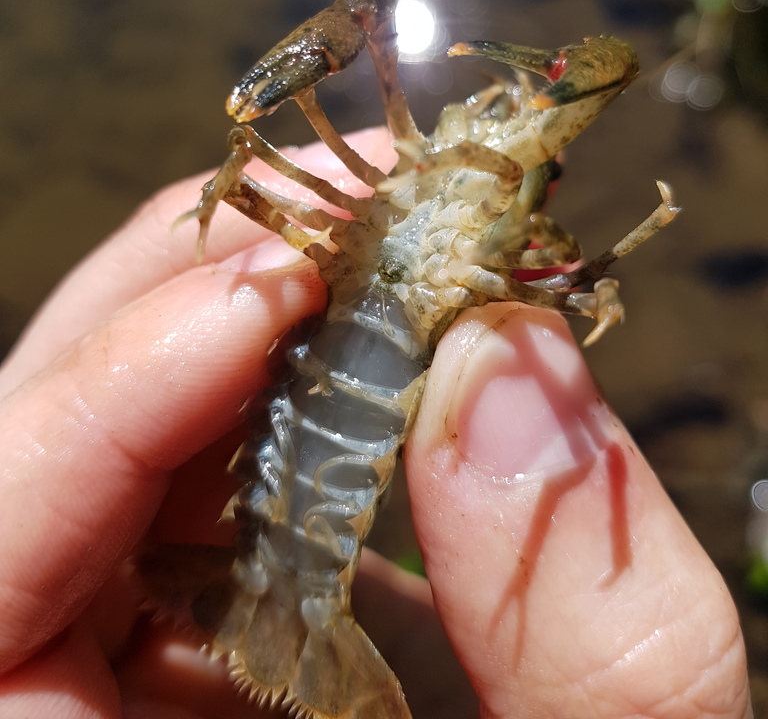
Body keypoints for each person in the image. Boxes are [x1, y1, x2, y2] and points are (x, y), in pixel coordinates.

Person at [0, 129, 750, 719]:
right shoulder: (442, 209)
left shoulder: (490, 234)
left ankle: (287, 598)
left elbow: (561, 268)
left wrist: (587, 275)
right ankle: (284, 594)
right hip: (312, 429)